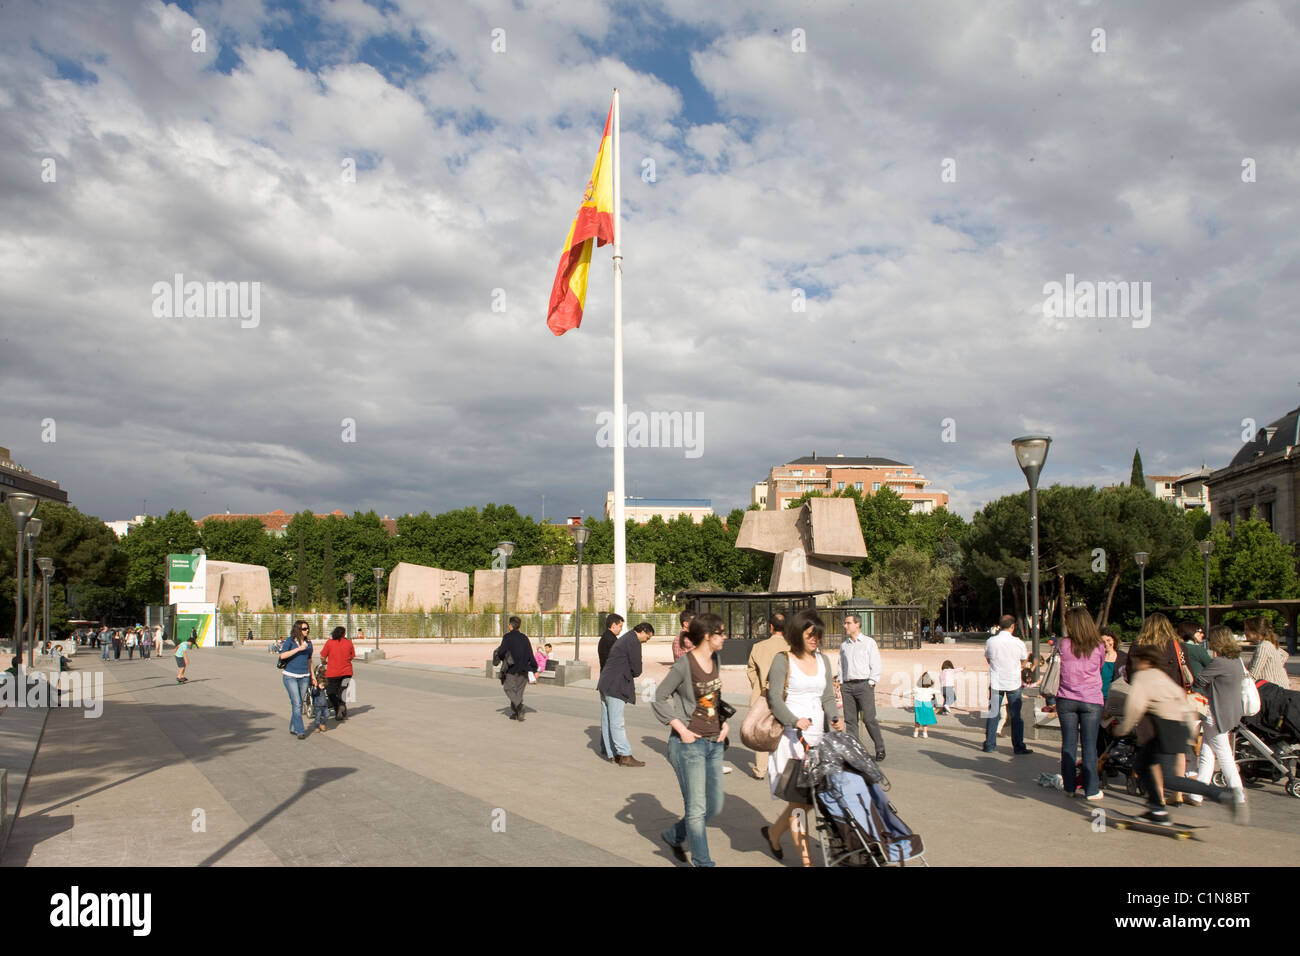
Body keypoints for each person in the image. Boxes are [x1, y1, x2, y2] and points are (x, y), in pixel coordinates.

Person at [1116, 644, 1249, 825]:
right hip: (1177, 725)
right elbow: (1180, 697)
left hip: (1167, 728)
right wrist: (1189, 731)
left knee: (1169, 778)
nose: (1133, 662)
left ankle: (1220, 795)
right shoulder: (1160, 675)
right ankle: (1157, 810)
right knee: (1141, 763)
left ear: (1143, 660)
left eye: (1135, 659)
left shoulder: (1143, 677)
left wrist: (1121, 729)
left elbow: (1135, 707)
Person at [762, 609, 844, 867]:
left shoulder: (823, 660)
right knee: (800, 803)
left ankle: (774, 833)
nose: (815, 640)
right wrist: (793, 720)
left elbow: (828, 696)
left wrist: (834, 717)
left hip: (818, 741)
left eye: (818, 635)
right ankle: (807, 863)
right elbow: (774, 698)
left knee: (809, 801)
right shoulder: (782, 660)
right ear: (798, 634)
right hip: (791, 740)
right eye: (811, 635)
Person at [653, 612, 730, 866]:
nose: (725, 637)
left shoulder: (715, 658)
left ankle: (675, 834)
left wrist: (724, 721)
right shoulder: (684, 665)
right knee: (697, 809)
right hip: (689, 745)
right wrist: (681, 729)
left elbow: (714, 696)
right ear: (707, 636)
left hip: (714, 742)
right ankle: (703, 862)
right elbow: (659, 697)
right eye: (720, 632)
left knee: (715, 806)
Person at [1185, 626, 1249, 817]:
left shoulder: (1220, 662)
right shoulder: (1236, 661)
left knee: (1224, 755)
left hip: (1215, 714)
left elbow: (1199, 681)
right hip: (1229, 713)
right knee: (1207, 751)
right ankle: (1198, 794)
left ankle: (1237, 793)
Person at [1131, 613, 1191, 802]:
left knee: (1152, 749)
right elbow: (1188, 672)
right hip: (1175, 703)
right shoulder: (1178, 645)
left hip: (1149, 705)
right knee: (1178, 750)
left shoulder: (1139, 646)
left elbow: (1130, 674)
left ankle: (1158, 794)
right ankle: (1177, 794)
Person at [1056, 606, 1106, 800]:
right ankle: (1092, 789)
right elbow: (1100, 667)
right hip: (1092, 700)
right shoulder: (1099, 645)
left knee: (1068, 745)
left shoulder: (1063, 644)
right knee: (1089, 746)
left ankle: (1069, 787)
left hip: (1066, 699)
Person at [598, 622, 654, 766]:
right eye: (647, 637)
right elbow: (637, 669)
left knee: (607, 720)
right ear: (642, 631)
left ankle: (612, 753)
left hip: (605, 683)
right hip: (617, 685)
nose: (646, 641)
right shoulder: (633, 642)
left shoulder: (624, 638)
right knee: (617, 722)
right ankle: (625, 755)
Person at [745, 612, 789, 779]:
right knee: (785, 731)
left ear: (771, 627)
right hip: (786, 694)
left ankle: (761, 769)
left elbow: (751, 669)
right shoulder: (791, 647)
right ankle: (783, 768)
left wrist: (756, 685)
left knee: (760, 732)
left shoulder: (759, 647)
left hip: (762, 693)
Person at [838, 611, 886, 761]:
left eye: (848, 623)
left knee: (869, 719)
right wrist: (841, 682)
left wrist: (871, 682)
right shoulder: (844, 645)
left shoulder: (868, 643)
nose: (845, 625)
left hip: (864, 685)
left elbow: (876, 664)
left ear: (857, 624)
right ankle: (854, 751)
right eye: (845, 623)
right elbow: (841, 665)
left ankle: (880, 748)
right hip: (847, 686)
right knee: (850, 721)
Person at [983, 615, 1032, 755]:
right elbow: (1023, 661)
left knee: (993, 713)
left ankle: (990, 745)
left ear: (999, 626)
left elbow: (988, 659)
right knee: (1016, 715)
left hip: (996, 681)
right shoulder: (1018, 642)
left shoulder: (991, 641)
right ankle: (1018, 746)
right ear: (1012, 626)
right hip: (1013, 682)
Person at [279, 620, 317, 740]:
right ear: (298, 630)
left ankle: (292, 726)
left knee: (298, 703)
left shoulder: (309, 643)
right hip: (290, 676)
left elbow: (309, 660)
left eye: (307, 628)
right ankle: (300, 730)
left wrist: (313, 676)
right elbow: (282, 656)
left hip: (304, 676)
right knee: (297, 703)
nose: (307, 630)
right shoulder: (290, 641)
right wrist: (299, 649)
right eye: (304, 629)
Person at [494, 616, 537, 721]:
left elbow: (501, 651)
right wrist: (534, 668)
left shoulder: (507, 637)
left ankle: (519, 707)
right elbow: (530, 654)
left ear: (510, 626)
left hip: (511, 669)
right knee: (518, 692)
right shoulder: (525, 638)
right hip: (524, 670)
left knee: (508, 688)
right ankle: (517, 713)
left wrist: (499, 656)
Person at [318, 625, 356, 723]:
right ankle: (342, 705)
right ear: (344, 634)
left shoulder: (329, 643)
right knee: (342, 690)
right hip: (347, 672)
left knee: (331, 692)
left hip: (333, 673)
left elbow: (323, 656)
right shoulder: (348, 643)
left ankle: (337, 708)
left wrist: (324, 662)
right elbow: (352, 656)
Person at [1245, 616, 1289, 687]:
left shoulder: (1263, 647)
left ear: (1256, 630)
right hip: (1279, 687)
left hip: (1272, 690)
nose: (1245, 632)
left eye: (1247, 629)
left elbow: (1253, 674)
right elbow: (1284, 655)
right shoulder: (1269, 643)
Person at [912, 672, 938, 738]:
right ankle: (925, 733)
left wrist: (902, 694)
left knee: (917, 719)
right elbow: (938, 692)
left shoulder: (917, 689)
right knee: (925, 720)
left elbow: (909, 692)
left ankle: (916, 733)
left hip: (918, 704)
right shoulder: (930, 690)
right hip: (927, 704)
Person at [1100, 626, 1122, 701]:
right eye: (1103, 642)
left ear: (1113, 640)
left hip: (1115, 698)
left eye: (1108, 640)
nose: (1106, 644)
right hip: (1098, 698)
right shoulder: (1097, 658)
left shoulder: (1123, 658)